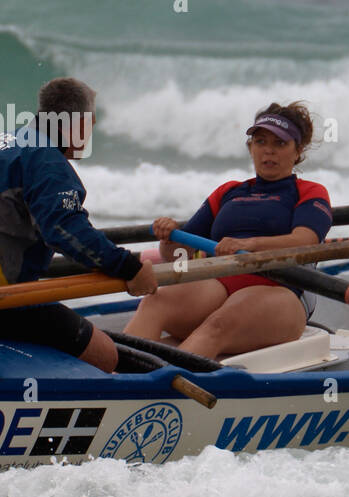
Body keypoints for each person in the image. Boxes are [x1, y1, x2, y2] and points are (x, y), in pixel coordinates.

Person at [0, 77, 158, 373]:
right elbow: (66, 232)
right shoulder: (47, 162)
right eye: (91, 123)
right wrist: (130, 268)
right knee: (106, 356)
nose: (90, 134)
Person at [124, 103, 332, 360]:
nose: (268, 150)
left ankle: (158, 392)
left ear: (298, 151)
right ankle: (115, 380)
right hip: (220, 285)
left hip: (282, 290)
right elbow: (177, 255)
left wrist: (249, 245)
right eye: (260, 141)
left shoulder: (310, 192)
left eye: (280, 144)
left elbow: (305, 241)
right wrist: (169, 236)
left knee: (219, 324)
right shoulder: (228, 192)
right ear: (250, 147)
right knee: (156, 300)